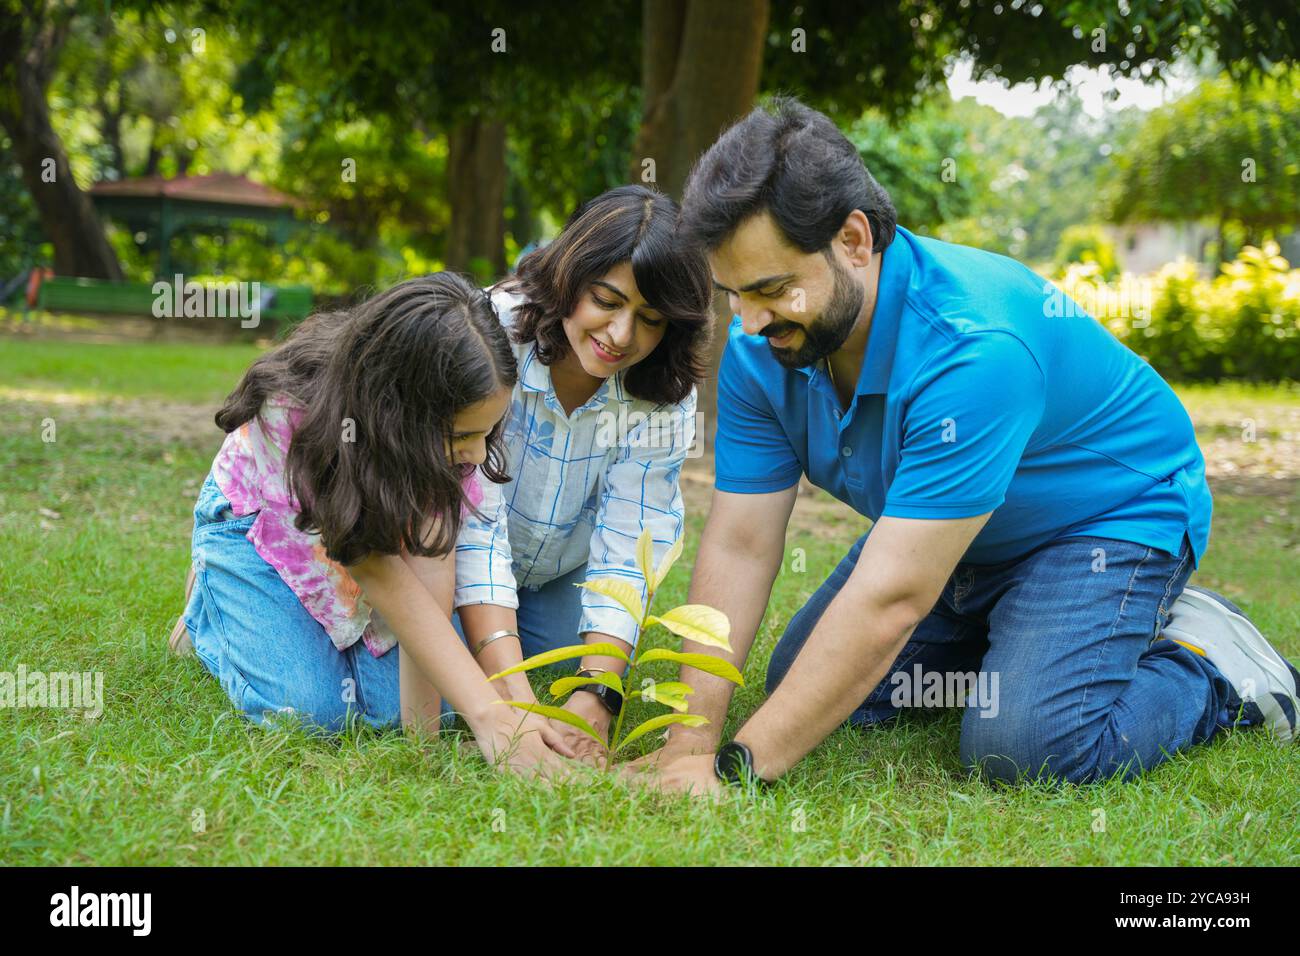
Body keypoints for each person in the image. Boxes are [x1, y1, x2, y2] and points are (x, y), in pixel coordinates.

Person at [626, 97, 1300, 795]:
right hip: (960, 534)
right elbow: (741, 542)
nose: (750, 322)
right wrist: (689, 744)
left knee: (1024, 746)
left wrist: (736, 774)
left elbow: (891, 598)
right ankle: (1035, 645)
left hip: (1107, 521)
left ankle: (1209, 664)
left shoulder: (975, 347)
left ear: (855, 241)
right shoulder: (759, 345)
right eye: (732, 293)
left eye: (772, 289)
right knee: (798, 678)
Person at [168, 273, 574, 779]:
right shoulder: (297, 412)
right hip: (270, 536)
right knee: (309, 712)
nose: (476, 452)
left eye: (488, 431)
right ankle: (206, 614)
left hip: (366, 548)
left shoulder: (447, 436)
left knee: (415, 708)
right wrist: (490, 716)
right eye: (464, 435)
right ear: (398, 410)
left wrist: (424, 747)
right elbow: (377, 570)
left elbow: (428, 574)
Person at [454, 185, 713, 760]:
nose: (621, 335)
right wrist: (515, 709)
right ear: (571, 274)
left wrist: (599, 692)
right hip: (452, 558)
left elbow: (630, 538)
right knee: (442, 682)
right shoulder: (490, 332)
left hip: (553, 581)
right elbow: (474, 526)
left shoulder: (666, 394)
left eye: (650, 319)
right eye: (606, 299)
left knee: (574, 672)